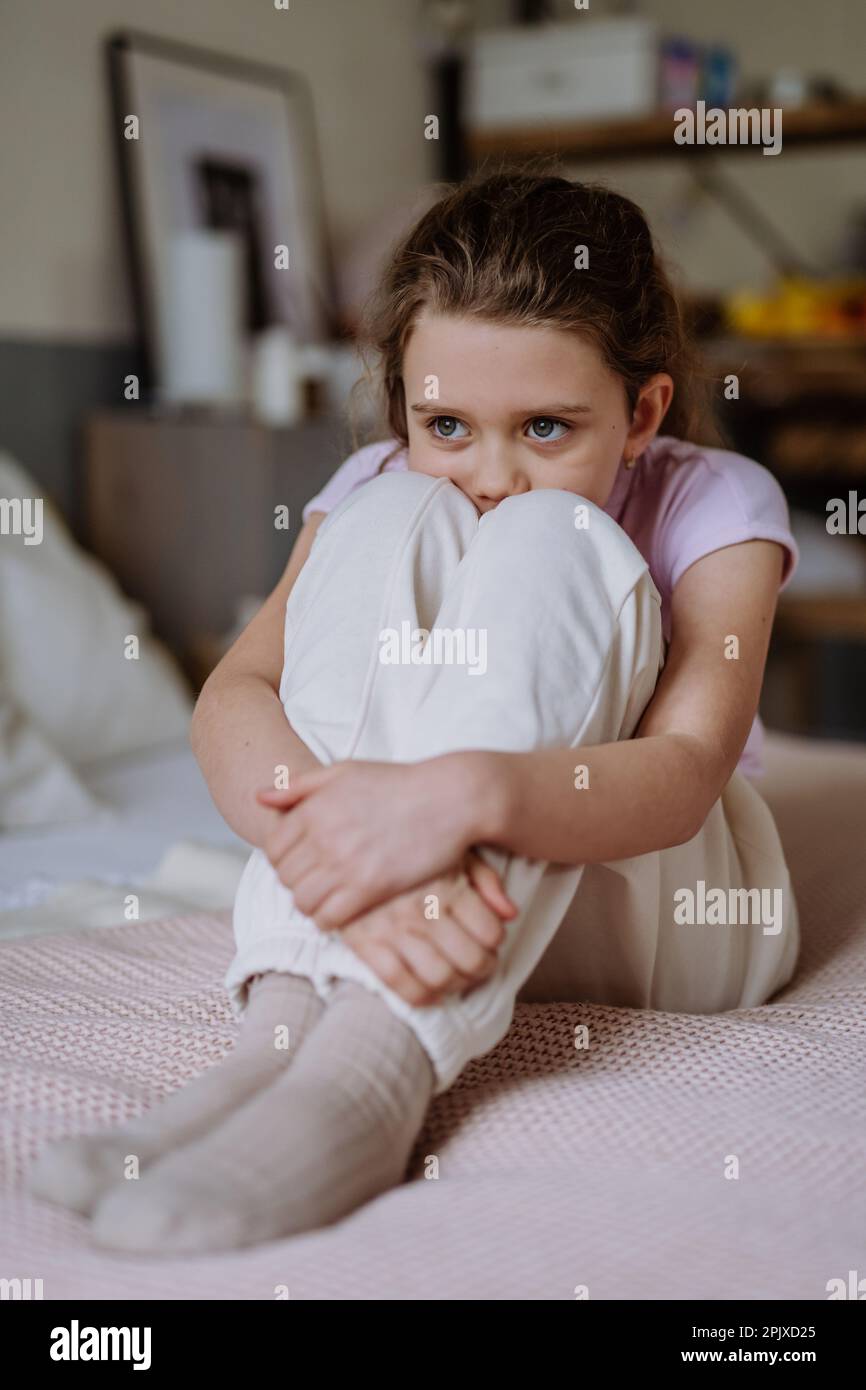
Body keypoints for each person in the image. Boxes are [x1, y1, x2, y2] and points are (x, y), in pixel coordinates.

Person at [31, 169, 800, 1253]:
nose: (489, 473)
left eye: (544, 426)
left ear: (640, 411)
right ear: (403, 401)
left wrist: (454, 798)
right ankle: (276, 1051)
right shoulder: (384, 481)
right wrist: (345, 847)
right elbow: (232, 699)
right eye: (445, 422)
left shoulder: (717, 503)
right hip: (419, 898)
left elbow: (682, 771)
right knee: (390, 508)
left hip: (652, 905)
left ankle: (365, 1078)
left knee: (550, 537)